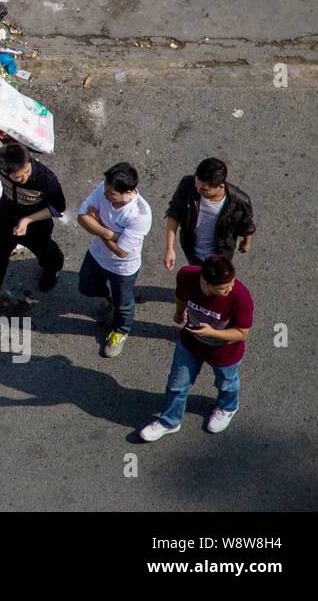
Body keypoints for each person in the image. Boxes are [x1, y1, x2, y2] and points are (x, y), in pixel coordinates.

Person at [140, 255, 254, 441]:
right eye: (224, 288)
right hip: (190, 343)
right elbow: (181, 296)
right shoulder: (187, 276)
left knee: (227, 383)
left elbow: (242, 333)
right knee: (177, 384)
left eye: (232, 283)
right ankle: (170, 421)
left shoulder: (241, 297)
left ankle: (228, 407)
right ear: (206, 282)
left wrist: (212, 333)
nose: (230, 288)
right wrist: (178, 313)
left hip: (224, 352)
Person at [0, 142, 65, 315]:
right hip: (5, 216)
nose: (24, 179)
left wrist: (27, 220)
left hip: (36, 221)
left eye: (27, 173)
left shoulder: (46, 179)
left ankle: (53, 268)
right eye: (18, 178)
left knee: (43, 249)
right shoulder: (1, 167)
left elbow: (58, 207)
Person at [76, 162, 153, 358]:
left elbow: (121, 252)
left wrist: (98, 225)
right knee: (85, 286)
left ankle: (121, 331)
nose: (105, 195)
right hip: (96, 255)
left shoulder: (140, 215)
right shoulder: (104, 189)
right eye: (106, 188)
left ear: (129, 192)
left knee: (124, 305)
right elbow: (82, 218)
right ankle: (109, 299)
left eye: (111, 193)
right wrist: (111, 234)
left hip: (122, 268)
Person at [163, 157, 256, 271]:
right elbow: (174, 213)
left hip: (220, 256)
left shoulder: (240, 201)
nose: (198, 190)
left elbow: (247, 225)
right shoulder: (187, 184)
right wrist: (169, 249)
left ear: (220, 186)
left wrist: (246, 242)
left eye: (204, 189)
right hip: (192, 251)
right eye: (197, 184)